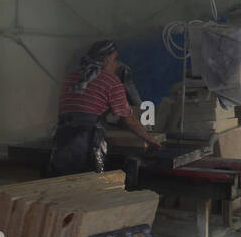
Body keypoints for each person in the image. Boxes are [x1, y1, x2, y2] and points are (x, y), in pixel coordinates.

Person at [48, 40, 160, 175]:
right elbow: (129, 120)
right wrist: (149, 139)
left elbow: (76, 109)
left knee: (62, 181)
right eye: (115, 59)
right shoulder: (111, 81)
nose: (117, 64)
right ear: (104, 62)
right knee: (91, 183)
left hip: (62, 139)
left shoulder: (70, 78)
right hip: (87, 142)